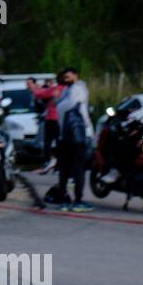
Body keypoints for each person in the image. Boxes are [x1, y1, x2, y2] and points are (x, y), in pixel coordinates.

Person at [54, 67, 94, 212]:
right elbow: (81, 111)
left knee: (64, 169)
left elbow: (60, 110)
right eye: (65, 76)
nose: (66, 78)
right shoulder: (79, 89)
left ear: (75, 75)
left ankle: (63, 200)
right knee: (78, 169)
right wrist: (90, 133)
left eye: (68, 76)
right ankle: (78, 201)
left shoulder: (64, 93)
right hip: (77, 137)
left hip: (64, 136)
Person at [27, 76, 64, 172]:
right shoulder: (67, 89)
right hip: (60, 119)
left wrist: (36, 90)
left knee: (48, 142)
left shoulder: (55, 90)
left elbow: (40, 94)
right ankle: (58, 162)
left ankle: (49, 161)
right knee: (58, 141)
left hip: (52, 118)